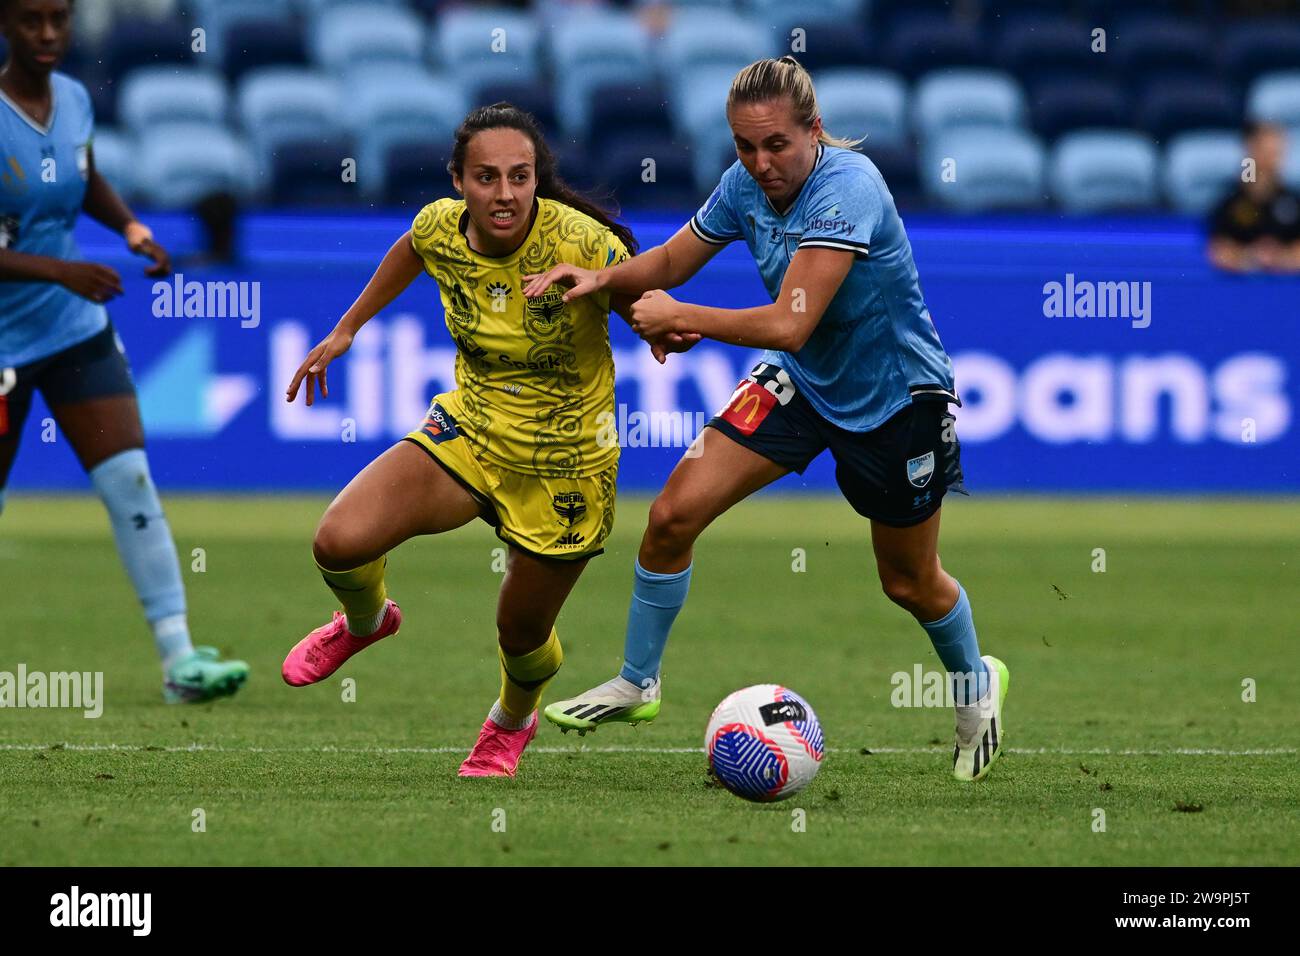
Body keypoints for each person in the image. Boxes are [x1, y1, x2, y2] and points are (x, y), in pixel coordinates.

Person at [524, 57, 1009, 782]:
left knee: (909, 582)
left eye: (776, 145)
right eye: (745, 147)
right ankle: (638, 681)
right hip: (803, 384)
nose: (760, 163)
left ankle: (977, 691)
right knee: (671, 516)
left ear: (813, 131)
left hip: (896, 402)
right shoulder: (742, 185)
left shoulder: (849, 189)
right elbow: (671, 261)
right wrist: (602, 278)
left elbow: (790, 322)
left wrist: (682, 317)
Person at [281, 103, 671, 778]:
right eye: (486, 177)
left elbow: (635, 288)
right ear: (459, 179)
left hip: (567, 464)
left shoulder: (577, 240)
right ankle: (368, 622)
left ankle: (508, 724)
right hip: (475, 429)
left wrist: (656, 323)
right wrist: (347, 329)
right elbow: (411, 248)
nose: (505, 193)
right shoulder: (441, 225)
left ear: (536, 180)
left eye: (520, 177)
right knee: (338, 542)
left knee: (519, 634)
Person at [0, 0, 248, 702]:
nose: (47, 35)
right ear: (5, 26)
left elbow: (83, 177)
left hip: (73, 327)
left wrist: (132, 227)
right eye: (30, 21)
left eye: (58, 19)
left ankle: (179, 662)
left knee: (130, 480)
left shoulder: (73, 99)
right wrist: (63, 270)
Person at [1208, 120, 1300, 274]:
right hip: (1239, 290)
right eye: (1268, 151)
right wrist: (1252, 257)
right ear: (1251, 149)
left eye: (1277, 152)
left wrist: (1279, 258)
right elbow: (1218, 251)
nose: (1273, 159)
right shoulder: (1230, 202)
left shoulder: (1294, 202)